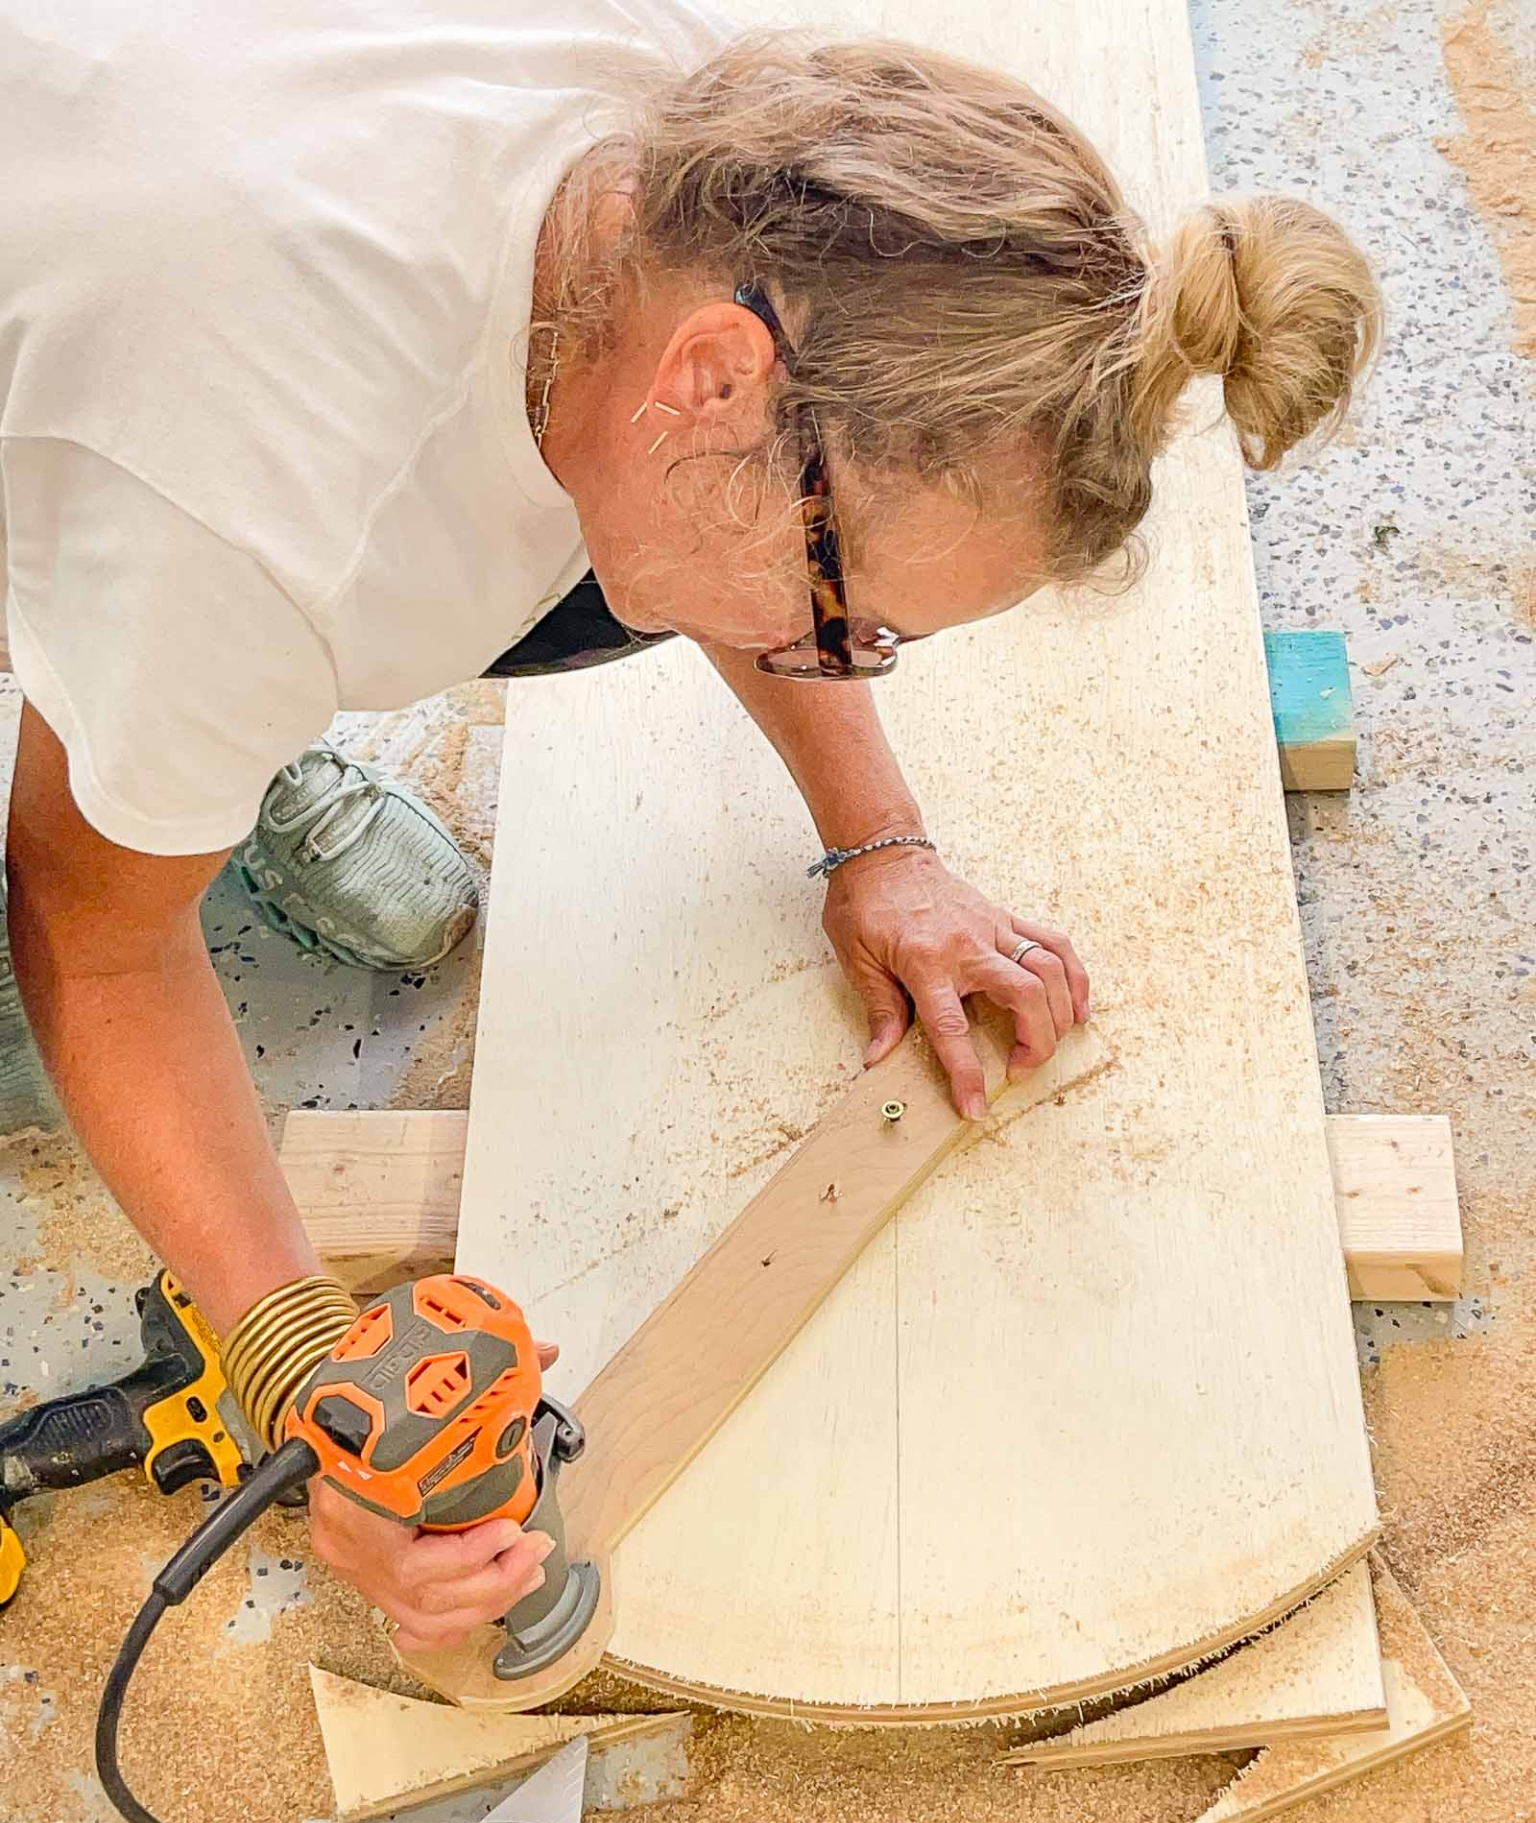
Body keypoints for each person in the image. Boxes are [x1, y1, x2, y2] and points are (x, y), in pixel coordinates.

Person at [0, 0, 1380, 1652]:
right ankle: (156, 720)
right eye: (847, 617)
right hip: (140, 405)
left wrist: (883, 840)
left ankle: (182, 735)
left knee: (615, 571)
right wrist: (297, 1355)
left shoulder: (731, 171)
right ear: (715, 382)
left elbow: (754, 499)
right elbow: (95, 928)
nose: (844, 663)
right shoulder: (257, 502)